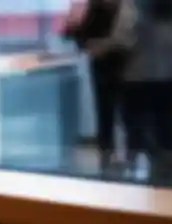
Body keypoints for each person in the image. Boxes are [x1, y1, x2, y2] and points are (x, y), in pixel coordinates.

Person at [91, 0, 172, 185]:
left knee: (138, 129)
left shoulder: (133, 6)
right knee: (166, 128)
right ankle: (169, 175)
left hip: (140, 75)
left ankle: (141, 172)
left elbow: (123, 39)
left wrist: (99, 48)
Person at [66, 0, 127, 174]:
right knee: (108, 112)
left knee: (116, 112)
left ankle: (116, 154)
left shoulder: (116, 8)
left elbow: (81, 37)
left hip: (116, 64)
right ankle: (110, 154)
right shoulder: (98, 8)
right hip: (108, 65)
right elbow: (77, 36)